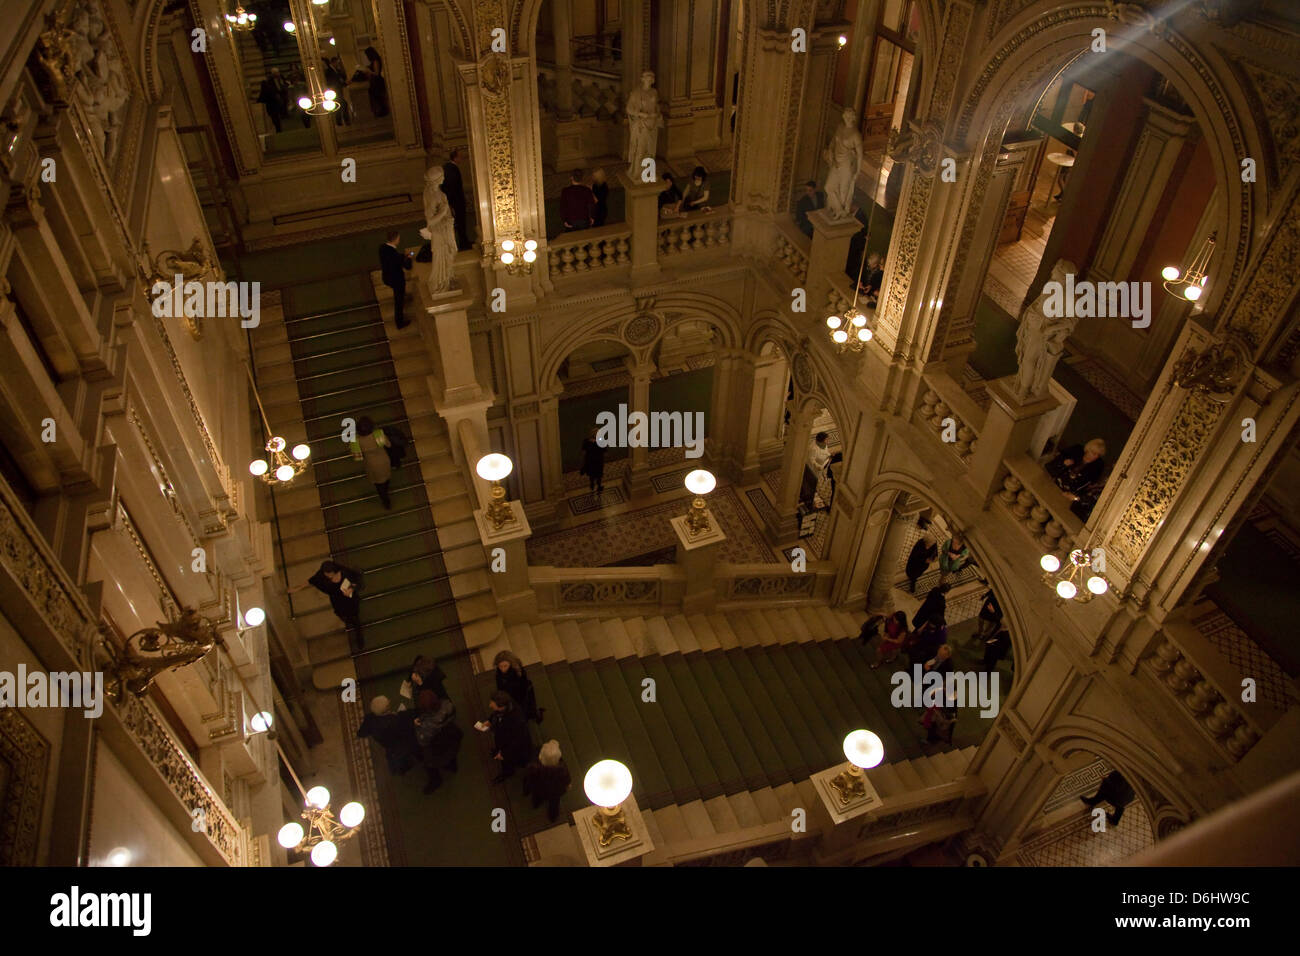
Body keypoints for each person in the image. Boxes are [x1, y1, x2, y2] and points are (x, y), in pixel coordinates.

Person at [289, 559, 365, 646]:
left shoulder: (345, 572)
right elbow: (311, 581)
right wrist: (296, 588)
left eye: (331, 575)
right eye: (327, 576)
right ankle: (349, 621)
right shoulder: (322, 575)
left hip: (350, 600)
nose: (329, 578)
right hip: (337, 602)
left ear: (336, 571)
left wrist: (351, 589)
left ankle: (359, 635)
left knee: (355, 618)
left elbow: (359, 582)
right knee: (342, 615)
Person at [414, 689, 462, 794]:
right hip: (452, 739)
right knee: (451, 754)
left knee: (428, 763)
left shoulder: (427, 726)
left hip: (437, 748)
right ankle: (452, 766)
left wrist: (417, 726)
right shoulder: (448, 705)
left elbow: (422, 741)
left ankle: (436, 780)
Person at [357, 696, 418, 774]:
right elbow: (405, 728)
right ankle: (404, 767)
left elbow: (361, 733)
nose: (389, 700)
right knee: (403, 754)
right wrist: (413, 723)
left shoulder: (369, 718)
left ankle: (396, 768)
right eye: (388, 703)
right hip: (398, 743)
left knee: (392, 755)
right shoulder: (394, 721)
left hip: (386, 743)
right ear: (385, 711)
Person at [486, 690, 533, 782]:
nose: (490, 705)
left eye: (493, 704)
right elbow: (496, 714)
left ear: (502, 707)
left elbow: (515, 742)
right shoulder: (506, 707)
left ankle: (508, 772)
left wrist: (503, 753)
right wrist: (490, 720)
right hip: (503, 740)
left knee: (508, 761)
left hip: (512, 748)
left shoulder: (517, 720)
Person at [349, 416, 394, 508]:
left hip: (371, 464)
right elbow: (389, 445)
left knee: (378, 483)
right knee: (386, 477)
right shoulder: (378, 434)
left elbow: (357, 457)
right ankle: (386, 490)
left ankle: (385, 500)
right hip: (384, 459)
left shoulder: (356, 441)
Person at [523, 739, 572, 823]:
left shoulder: (534, 767)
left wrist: (527, 789)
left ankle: (536, 804)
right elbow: (567, 781)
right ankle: (553, 816)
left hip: (538, 789)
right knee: (554, 803)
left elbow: (529, 778)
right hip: (554, 792)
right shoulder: (561, 770)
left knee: (537, 797)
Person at [494, 649, 544, 723]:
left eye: (505, 666)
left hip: (521, 694)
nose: (503, 669)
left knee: (524, 715)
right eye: (500, 666)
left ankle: (535, 713)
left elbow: (522, 692)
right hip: (510, 696)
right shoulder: (498, 674)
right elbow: (500, 689)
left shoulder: (518, 673)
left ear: (511, 664)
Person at [378, 229, 413, 328]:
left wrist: (402, 256)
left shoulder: (382, 248)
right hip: (397, 280)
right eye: (399, 238)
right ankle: (399, 322)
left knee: (399, 298)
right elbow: (407, 266)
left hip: (387, 277)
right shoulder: (395, 255)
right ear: (396, 239)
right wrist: (409, 257)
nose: (399, 240)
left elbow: (393, 257)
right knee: (399, 301)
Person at [442, 147, 471, 250]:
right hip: (456, 203)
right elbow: (452, 189)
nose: (462, 159)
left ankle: (464, 242)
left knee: (460, 223)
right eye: (460, 157)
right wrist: (452, 205)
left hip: (455, 202)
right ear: (455, 158)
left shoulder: (448, 167)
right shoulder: (452, 169)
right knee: (460, 223)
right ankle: (464, 244)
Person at [905, 518, 938, 593]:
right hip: (915, 564)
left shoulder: (933, 544)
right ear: (925, 542)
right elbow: (915, 556)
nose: (929, 546)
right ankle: (912, 581)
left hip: (923, 565)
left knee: (919, 572)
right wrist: (924, 560)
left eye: (930, 545)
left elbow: (935, 552)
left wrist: (933, 558)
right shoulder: (919, 545)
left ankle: (914, 578)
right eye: (928, 544)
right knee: (912, 574)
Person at [257, 69, 288, 133]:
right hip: (272, 102)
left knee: (277, 116)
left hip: (280, 97)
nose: (277, 74)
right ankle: (278, 129)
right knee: (275, 117)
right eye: (276, 73)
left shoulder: (281, 78)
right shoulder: (268, 82)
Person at [364, 46, 389, 117]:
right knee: (377, 97)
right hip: (376, 81)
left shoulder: (375, 61)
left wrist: (369, 71)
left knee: (378, 97)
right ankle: (381, 110)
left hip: (377, 81)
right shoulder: (375, 60)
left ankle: (382, 111)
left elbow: (376, 73)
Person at [580, 427, 605, 495]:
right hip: (598, 461)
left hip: (590, 461)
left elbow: (583, 452)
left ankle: (592, 485)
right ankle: (598, 486)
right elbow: (604, 449)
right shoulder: (600, 441)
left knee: (592, 474)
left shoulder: (586, 441)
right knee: (598, 474)